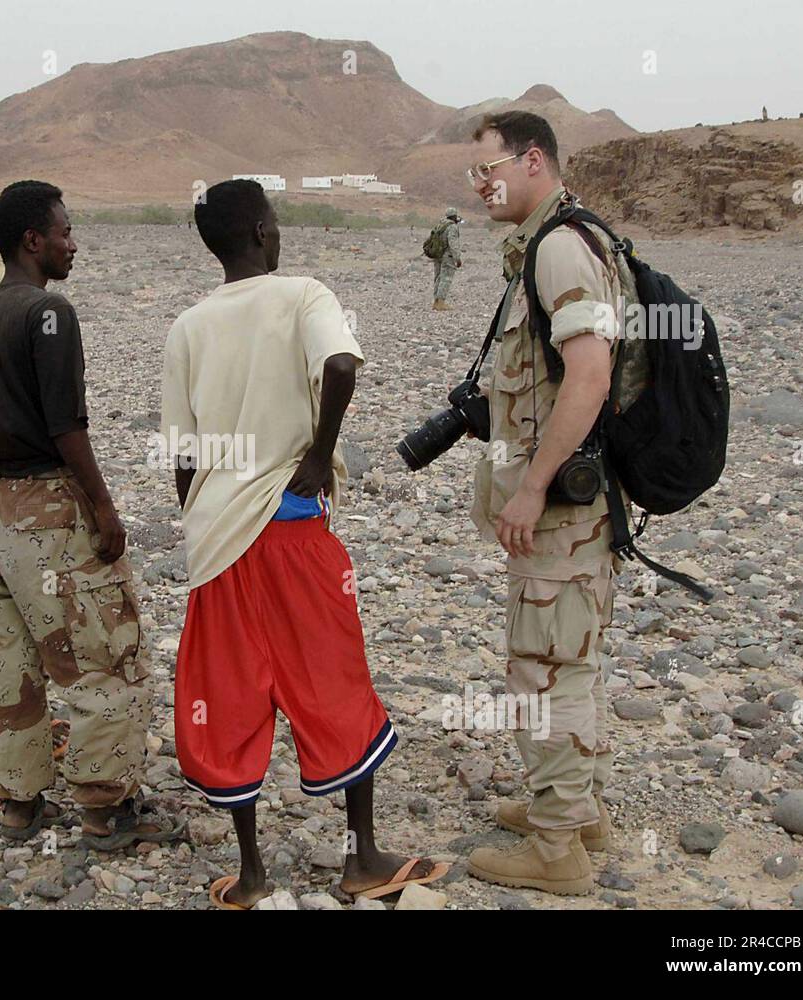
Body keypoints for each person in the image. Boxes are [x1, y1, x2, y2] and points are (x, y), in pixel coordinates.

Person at [162, 180, 449, 909]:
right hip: (291, 527)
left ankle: (253, 875)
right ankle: (362, 860)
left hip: (219, 538)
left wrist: (204, 520)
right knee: (332, 680)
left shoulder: (189, 324)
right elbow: (343, 367)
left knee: (230, 695)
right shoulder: (301, 295)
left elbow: (183, 454)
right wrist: (319, 457)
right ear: (261, 230)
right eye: (277, 221)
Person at [0, 180, 182, 848]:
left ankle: (20, 803)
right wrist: (102, 507)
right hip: (44, 508)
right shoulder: (50, 313)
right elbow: (65, 426)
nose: (72, 244)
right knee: (104, 657)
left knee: (10, 666)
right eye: (65, 231)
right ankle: (104, 808)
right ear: (33, 240)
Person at [462, 111, 645, 894]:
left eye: (487, 169)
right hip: (582, 507)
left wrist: (532, 487)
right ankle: (580, 809)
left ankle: (556, 849)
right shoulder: (559, 241)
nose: (480, 185)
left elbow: (591, 374)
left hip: (563, 510)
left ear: (532, 160)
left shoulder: (561, 248)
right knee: (575, 659)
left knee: (544, 670)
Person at [430, 206, 463, 310]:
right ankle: (441, 302)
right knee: (446, 278)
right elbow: (453, 244)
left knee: (438, 277)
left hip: (437, 255)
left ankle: (435, 302)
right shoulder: (452, 227)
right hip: (447, 256)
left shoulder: (440, 225)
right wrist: (457, 258)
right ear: (454, 216)